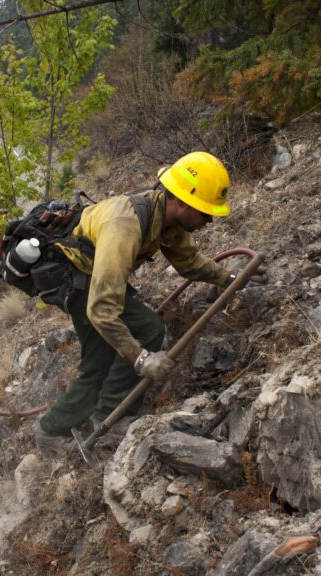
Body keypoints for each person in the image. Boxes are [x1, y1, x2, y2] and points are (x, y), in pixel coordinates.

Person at [35, 151, 240, 455]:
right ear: (181, 201)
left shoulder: (167, 219)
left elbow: (188, 262)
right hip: (75, 279)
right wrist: (140, 359)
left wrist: (228, 278)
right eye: (204, 212)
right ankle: (59, 429)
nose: (209, 220)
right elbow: (102, 310)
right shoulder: (125, 226)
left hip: (94, 275)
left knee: (133, 336)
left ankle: (103, 414)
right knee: (118, 348)